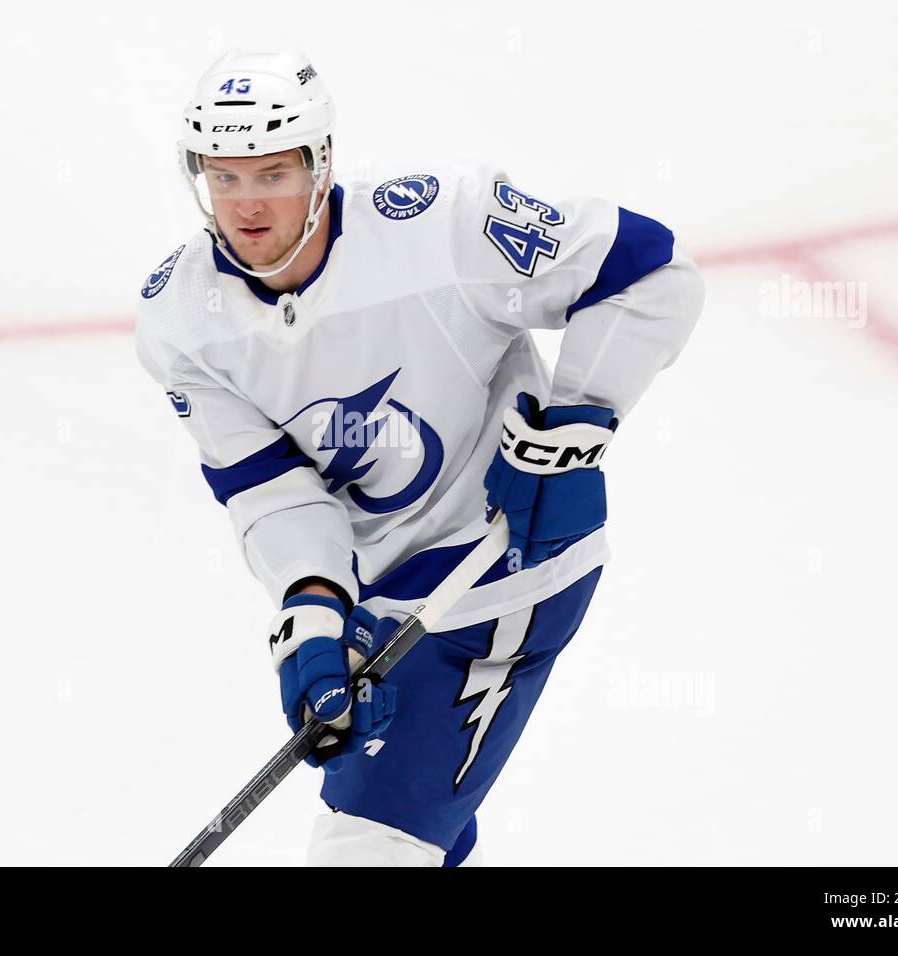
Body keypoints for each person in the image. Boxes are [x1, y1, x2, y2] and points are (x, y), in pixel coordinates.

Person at [136, 49, 705, 866]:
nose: (246, 205)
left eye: (271, 174)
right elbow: (270, 489)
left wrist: (571, 430)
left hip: (508, 567)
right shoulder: (182, 320)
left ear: (321, 162)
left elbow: (649, 271)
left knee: (367, 851)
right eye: (223, 178)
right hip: (389, 603)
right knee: (411, 830)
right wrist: (314, 615)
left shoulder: (440, 225)